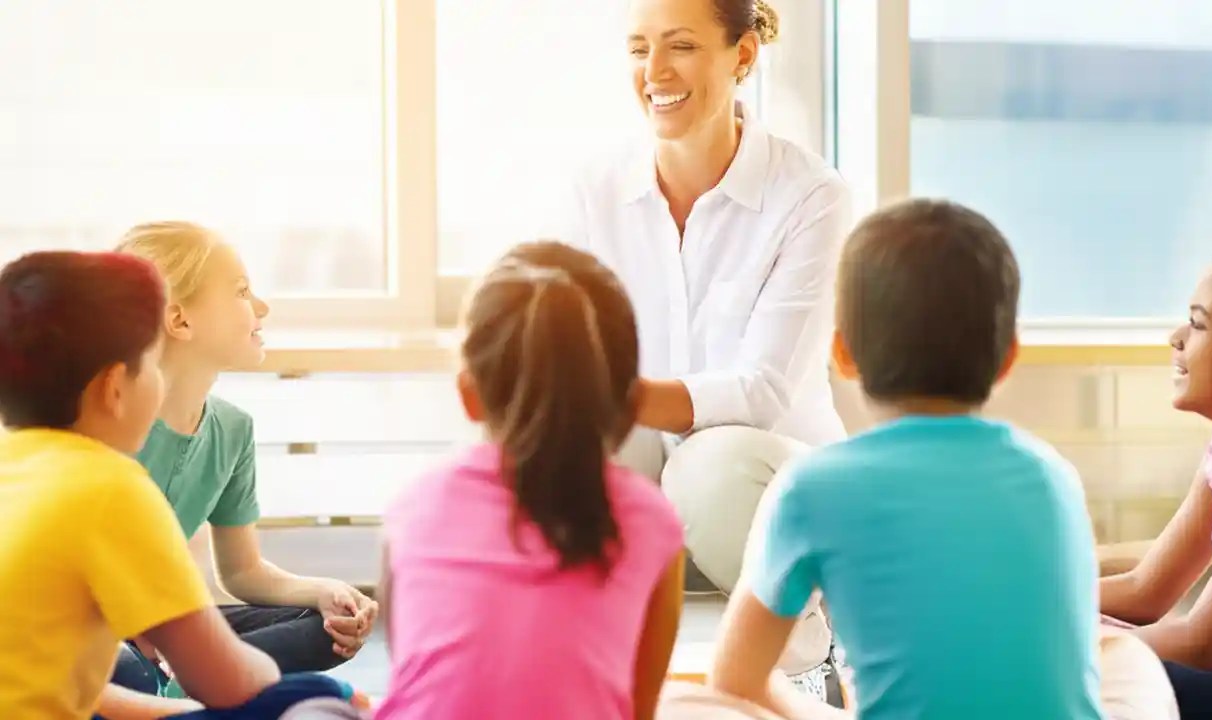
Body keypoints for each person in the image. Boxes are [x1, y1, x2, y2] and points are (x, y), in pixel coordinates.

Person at [706, 199, 1107, 718]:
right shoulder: (1054, 476)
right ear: (1008, 356)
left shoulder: (810, 487)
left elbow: (735, 678)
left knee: (682, 700)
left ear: (843, 353)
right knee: (1127, 660)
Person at [555, 0, 853, 691]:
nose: (654, 71)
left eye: (680, 47)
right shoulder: (594, 189)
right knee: (559, 446)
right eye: (638, 49)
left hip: (761, 476)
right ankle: (588, 668)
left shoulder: (811, 194)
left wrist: (603, 395)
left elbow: (762, 392)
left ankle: (808, 657)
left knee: (707, 467)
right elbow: (566, 346)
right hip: (645, 470)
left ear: (743, 56)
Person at [0, 251, 354, 719]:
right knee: (318, 701)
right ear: (115, 389)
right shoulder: (110, 485)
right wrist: (290, 692)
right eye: (151, 364)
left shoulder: (15, 467)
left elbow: (65, 689)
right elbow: (224, 682)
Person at [362, 242, 683, 720]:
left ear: (468, 395)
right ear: (634, 402)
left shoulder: (414, 507)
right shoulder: (652, 521)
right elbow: (636, 710)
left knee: (318, 705)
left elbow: (416, 674)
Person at [108, 222, 376, 696]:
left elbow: (242, 571)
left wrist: (323, 592)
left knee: (320, 627)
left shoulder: (233, 429)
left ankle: (174, 687)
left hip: (163, 631)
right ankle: (178, 686)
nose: (262, 308)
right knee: (119, 661)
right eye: (241, 291)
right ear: (181, 320)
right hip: (90, 628)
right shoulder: (105, 423)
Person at [1101, 235, 1212, 718]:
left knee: (1104, 673)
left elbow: (1202, 643)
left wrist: (1071, 643)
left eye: (1198, 324)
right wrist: (1040, 592)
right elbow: (1148, 589)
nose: (1176, 336)